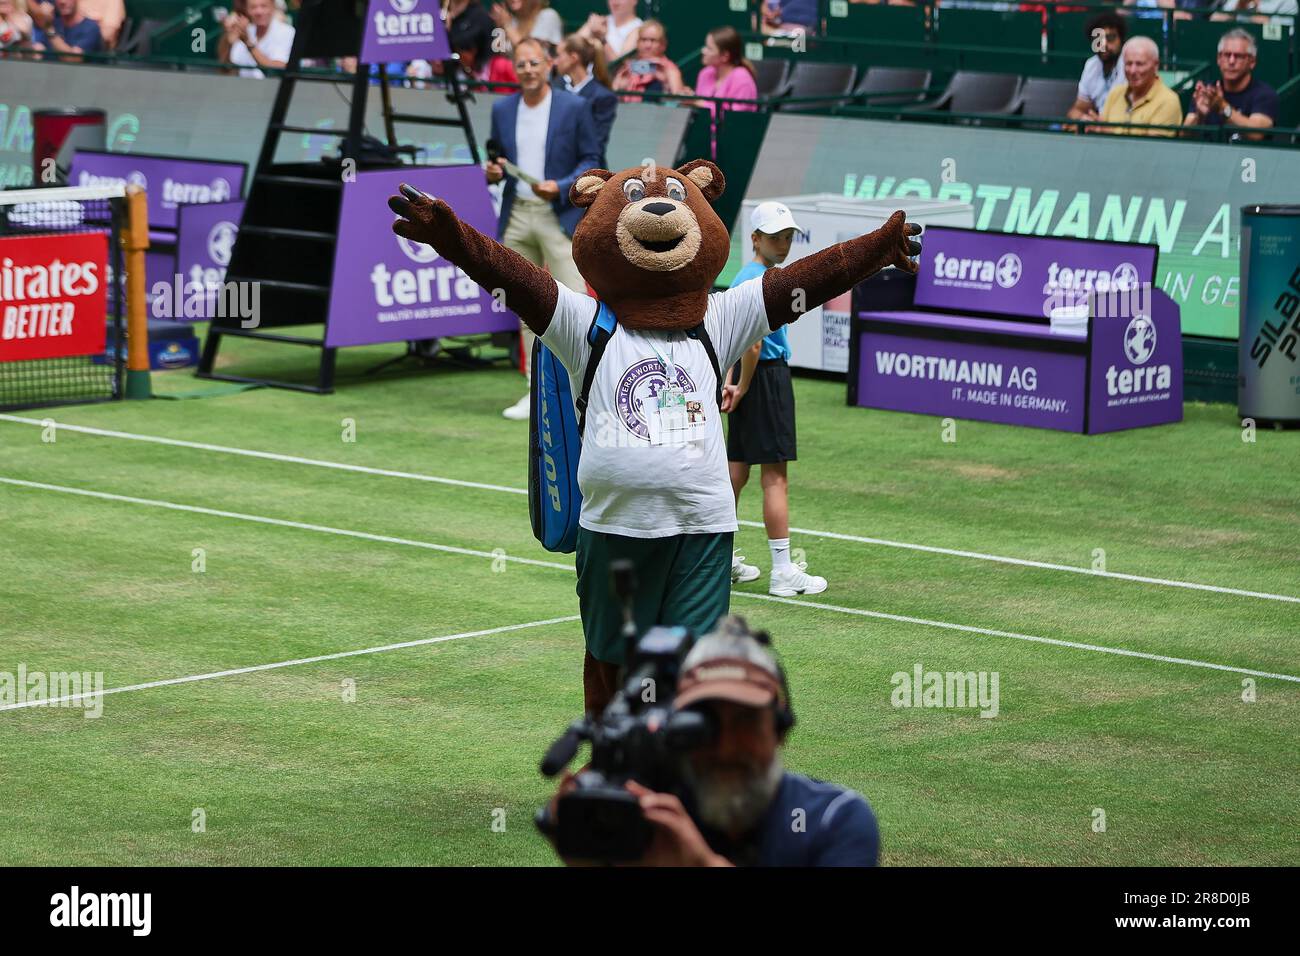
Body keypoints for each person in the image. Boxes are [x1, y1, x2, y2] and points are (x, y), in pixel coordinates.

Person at [549, 617, 881, 866]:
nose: (725, 747)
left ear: (780, 730)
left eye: (746, 723)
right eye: (703, 724)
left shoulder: (835, 820)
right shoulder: (649, 819)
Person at [486, 36, 600, 420]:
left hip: (559, 216)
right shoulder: (502, 109)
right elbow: (498, 156)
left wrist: (562, 186)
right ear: (514, 68)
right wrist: (493, 171)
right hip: (517, 213)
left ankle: (586, 387)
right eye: (521, 64)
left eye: (534, 63)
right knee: (524, 302)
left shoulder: (575, 107)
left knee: (576, 301)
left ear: (549, 64)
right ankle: (536, 392)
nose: (528, 70)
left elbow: (592, 159)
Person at [725, 202, 827, 598]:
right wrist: (745, 385)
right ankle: (783, 571)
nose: (784, 244)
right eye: (775, 237)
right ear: (755, 239)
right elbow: (752, 345)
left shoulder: (741, 279)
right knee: (775, 478)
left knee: (736, 471)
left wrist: (731, 383)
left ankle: (719, 558)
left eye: (787, 237)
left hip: (746, 381)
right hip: (765, 380)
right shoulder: (764, 282)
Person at [1182, 28, 1279, 141]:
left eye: (1238, 56)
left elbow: (1256, 134)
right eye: (1227, 55)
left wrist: (1222, 107)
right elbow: (1184, 136)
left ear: (1252, 62)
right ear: (1218, 59)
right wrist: (1200, 116)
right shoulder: (1208, 92)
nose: (1231, 61)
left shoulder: (1265, 95)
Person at [553, 34, 618, 169]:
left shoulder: (603, 97)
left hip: (588, 174)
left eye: (559, 56)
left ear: (573, 58)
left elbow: (596, 144)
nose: (555, 61)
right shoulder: (555, 87)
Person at [1097, 35, 1181, 136]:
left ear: (1155, 65)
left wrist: (1106, 132)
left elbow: (1152, 148)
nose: (1132, 71)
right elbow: (1100, 128)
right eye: (1128, 64)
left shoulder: (1168, 101)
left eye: (1139, 64)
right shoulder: (1115, 93)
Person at [1065, 10, 1126, 122]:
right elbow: (1077, 109)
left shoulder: (1131, 65)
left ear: (1121, 40)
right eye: (1098, 39)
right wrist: (1085, 119)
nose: (1104, 44)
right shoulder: (1091, 65)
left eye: (1110, 38)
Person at [688, 26, 759, 119]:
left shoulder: (742, 79)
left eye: (709, 48)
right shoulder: (705, 73)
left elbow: (736, 119)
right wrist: (691, 98)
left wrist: (698, 103)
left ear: (725, 56)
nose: (703, 51)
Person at [609, 18, 687, 101]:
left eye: (653, 40)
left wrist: (665, 84)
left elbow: (678, 98)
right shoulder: (628, 69)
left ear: (663, 44)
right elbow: (613, 94)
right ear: (638, 43)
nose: (648, 45)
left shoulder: (669, 69)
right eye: (644, 40)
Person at [218, 0, 294, 78]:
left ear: (273, 7)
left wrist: (248, 42)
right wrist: (229, 40)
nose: (259, 12)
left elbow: (277, 71)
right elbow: (226, 70)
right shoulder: (246, 30)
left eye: (264, 6)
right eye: (253, 7)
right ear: (247, 10)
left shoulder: (286, 32)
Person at [28, 0, 101, 58]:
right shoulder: (54, 23)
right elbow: (38, 50)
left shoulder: (90, 27)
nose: (63, 2)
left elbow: (73, 59)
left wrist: (49, 29)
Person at [577, 0, 642, 63]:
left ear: (634, 1)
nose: (615, 2)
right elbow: (571, 47)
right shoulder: (599, 22)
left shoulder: (639, 28)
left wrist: (602, 39)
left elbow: (620, 66)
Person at [489, 0, 562, 54]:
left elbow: (529, 53)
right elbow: (498, 51)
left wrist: (507, 26)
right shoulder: (511, 21)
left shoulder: (548, 16)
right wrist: (500, 27)